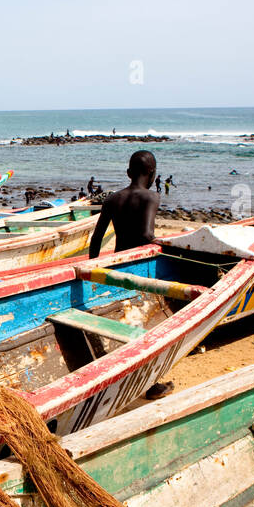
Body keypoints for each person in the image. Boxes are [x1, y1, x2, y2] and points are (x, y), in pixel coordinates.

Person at [88, 151, 170, 398]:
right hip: (139, 269)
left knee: (124, 323)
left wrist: (93, 271)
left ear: (128, 172)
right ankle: (148, 385)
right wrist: (164, 244)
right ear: (153, 173)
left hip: (115, 266)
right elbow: (146, 234)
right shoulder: (151, 197)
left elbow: (96, 240)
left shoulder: (113, 199)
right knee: (141, 327)